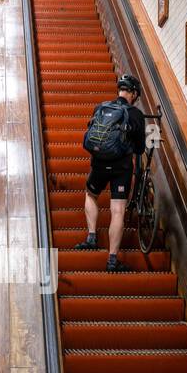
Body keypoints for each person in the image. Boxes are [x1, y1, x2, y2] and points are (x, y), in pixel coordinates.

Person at [76, 74, 147, 272]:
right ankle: (112, 259)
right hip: (121, 169)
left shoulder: (101, 108)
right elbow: (140, 149)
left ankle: (91, 237)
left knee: (91, 195)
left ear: (119, 90)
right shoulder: (136, 115)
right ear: (133, 93)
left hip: (99, 163)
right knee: (118, 211)